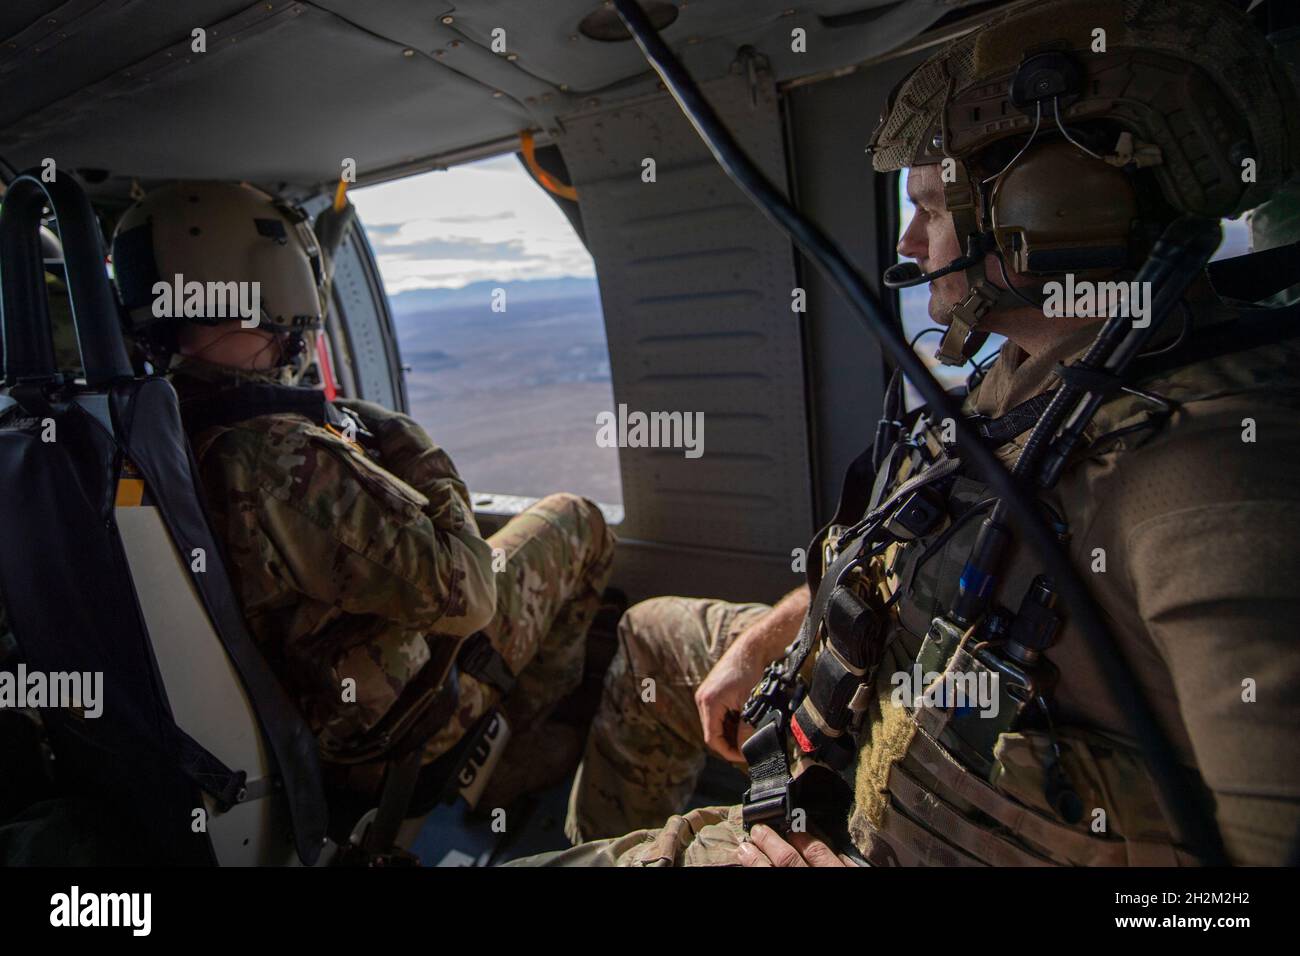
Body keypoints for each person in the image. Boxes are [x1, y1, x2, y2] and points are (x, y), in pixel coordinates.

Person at [536, 0, 1300, 866]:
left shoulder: (1216, 473)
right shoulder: (1023, 387)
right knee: (649, 628)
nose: (906, 241)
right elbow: (893, 546)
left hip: (859, 835)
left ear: (1054, 211)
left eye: (930, 210)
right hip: (858, 696)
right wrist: (774, 633)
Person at [109, 181, 616, 810]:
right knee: (579, 519)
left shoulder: (146, 429)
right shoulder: (270, 454)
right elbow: (474, 595)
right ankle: (512, 746)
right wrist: (414, 446)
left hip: (283, 721)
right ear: (276, 279)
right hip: (386, 730)